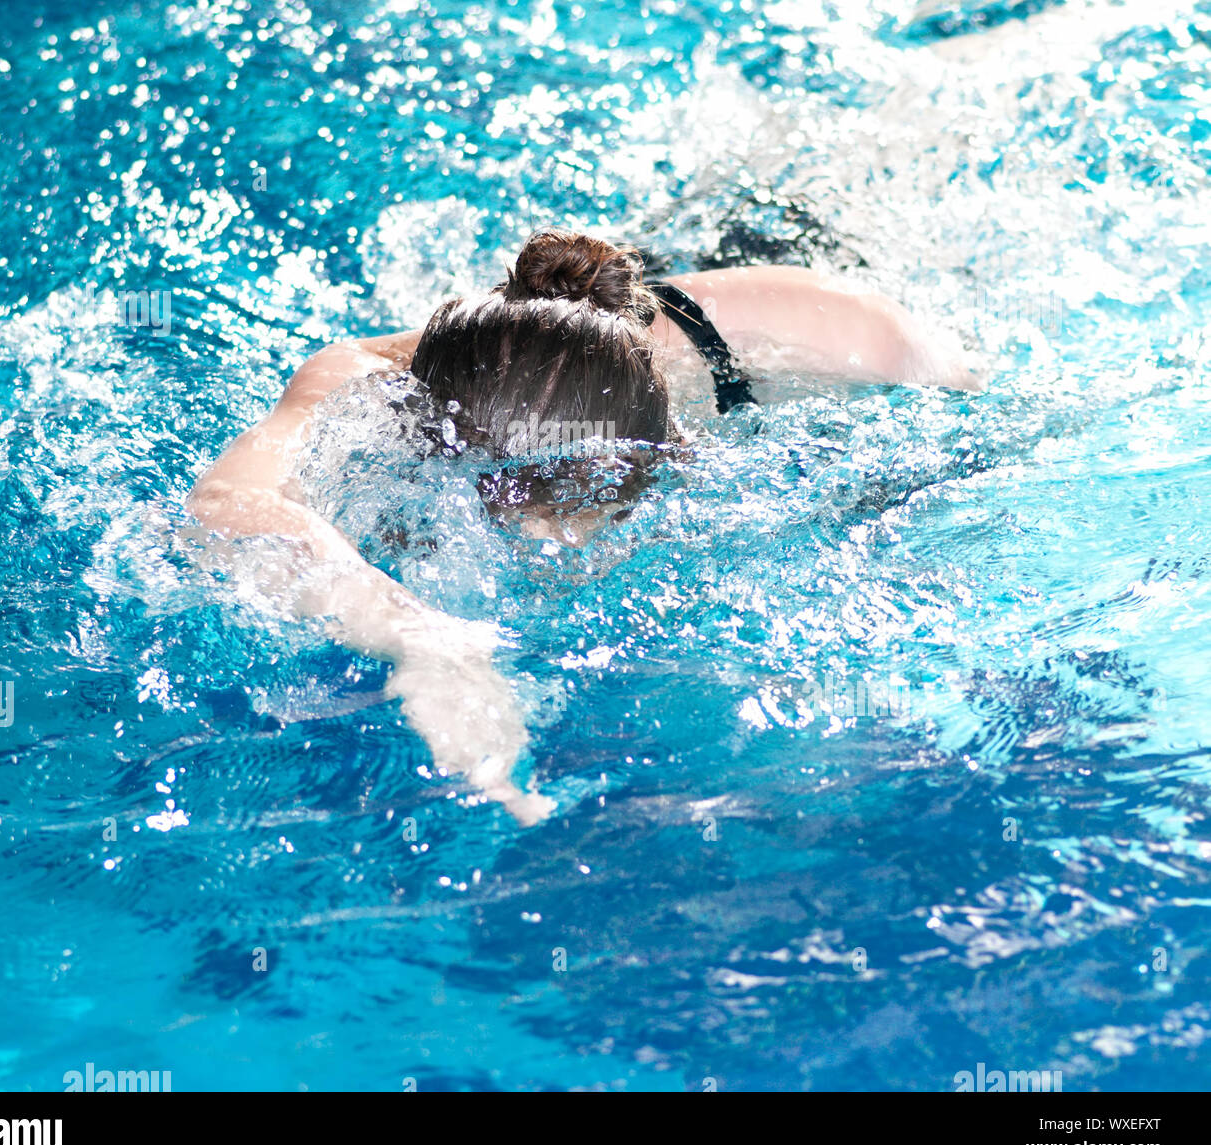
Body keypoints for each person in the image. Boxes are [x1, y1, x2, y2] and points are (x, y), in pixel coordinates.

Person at [187, 229, 983, 823]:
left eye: (578, 500)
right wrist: (415, 634)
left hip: (795, 236)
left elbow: (988, 411)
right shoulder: (364, 383)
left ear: (664, 451)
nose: (538, 543)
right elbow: (222, 510)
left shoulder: (820, 328)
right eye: (493, 498)